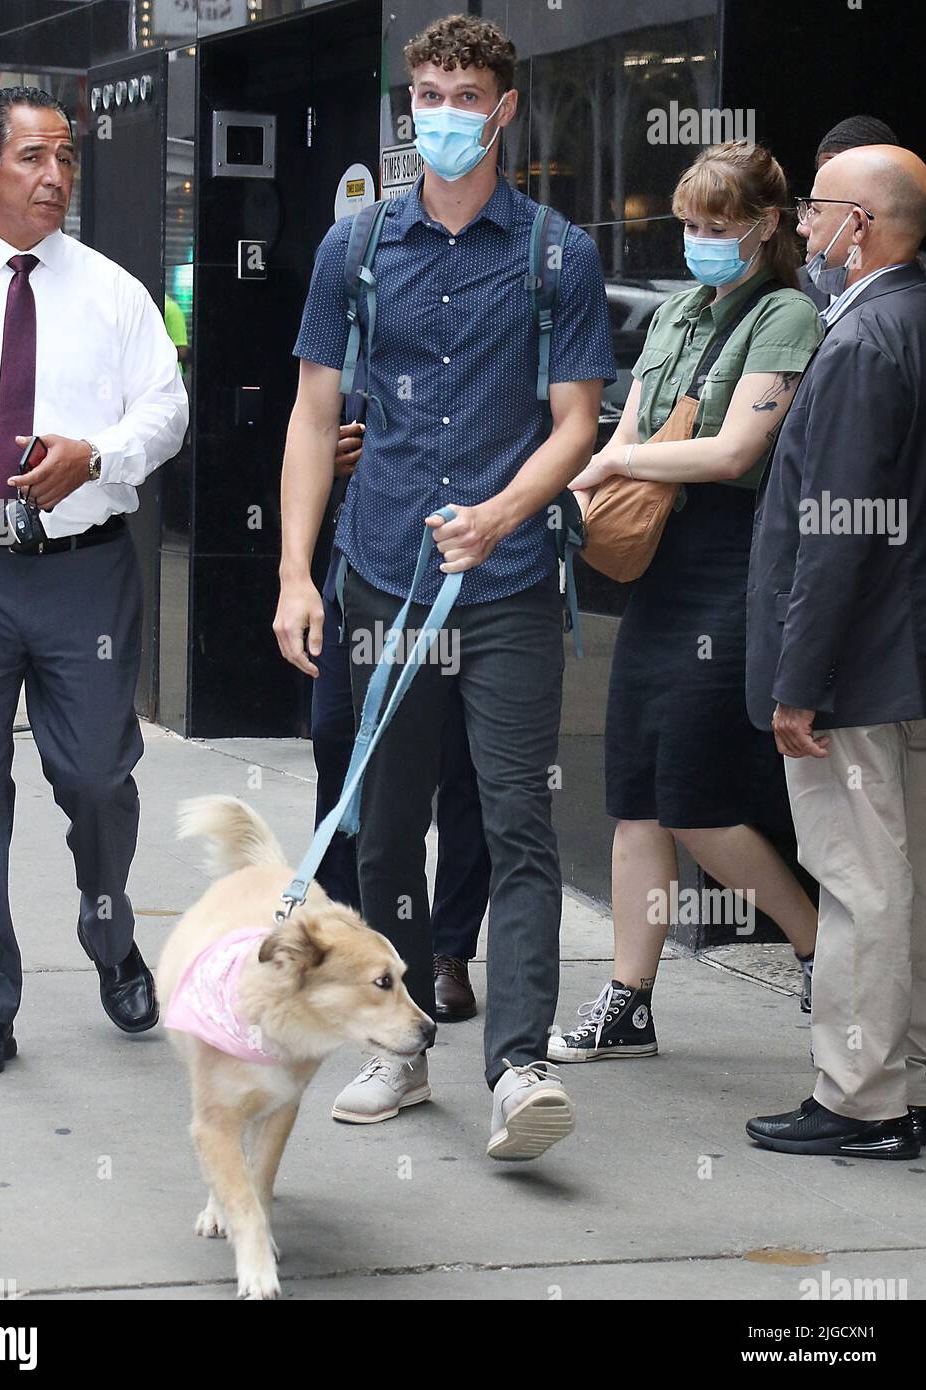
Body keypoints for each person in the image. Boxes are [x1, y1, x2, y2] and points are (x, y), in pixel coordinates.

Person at [274, 13, 613, 1160]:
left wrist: (504, 513)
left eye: (466, 94)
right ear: (404, 103)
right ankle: (399, 1047)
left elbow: (575, 423)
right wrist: (292, 574)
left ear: (503, 107)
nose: (445, 113)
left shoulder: (557, 253)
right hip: (377, 577)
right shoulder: (356, 248)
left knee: (519, 823)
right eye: (427, 93)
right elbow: (314, 412)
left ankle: (517, 1066)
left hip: (511, 580)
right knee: (382, 827)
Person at [0, 87, 189, 1078]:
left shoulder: (113, 293)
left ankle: (112, 939)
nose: (55, 176)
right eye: (30, 158)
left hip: (84, 574)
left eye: (64, 158)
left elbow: (165, 414)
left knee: (98, 780)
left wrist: (94, 454)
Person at [549, 142, 822, 1065]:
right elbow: (625, 427)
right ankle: (630, 999)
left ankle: (816, 941)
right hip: (661, 564)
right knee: (633, 794)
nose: (701, 241)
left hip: (732, 560)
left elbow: (732, 453)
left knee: (695, 796)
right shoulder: (676, 315)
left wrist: (618, 463)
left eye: (719, 226)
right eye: (691, 226)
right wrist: (574, 501)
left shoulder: (787, 314)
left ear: (768, 225)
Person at [745, 145, 926, 1159]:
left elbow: (836, 528)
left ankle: (860, 1099)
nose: (802, 228)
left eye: (814, 211)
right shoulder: (907, 319)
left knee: (858, 883)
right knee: (902, 876)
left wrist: (795, 682)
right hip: (898, 661)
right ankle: (901, 1080)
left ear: (857, 224)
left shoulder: (862, 342)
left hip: (856, 668)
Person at [311, 420, 490, 1023]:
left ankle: (448, 949)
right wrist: (326, 456)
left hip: (472, 565)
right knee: (340, 738)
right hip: (362, 564)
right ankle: (343, 935)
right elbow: (304, 428)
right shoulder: (346, 330)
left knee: (466, 761)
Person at [798, 117, 899, 311]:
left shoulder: (915, 294)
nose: (803, 228)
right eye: (824, 183)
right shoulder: (792, 289)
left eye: (842, 185)